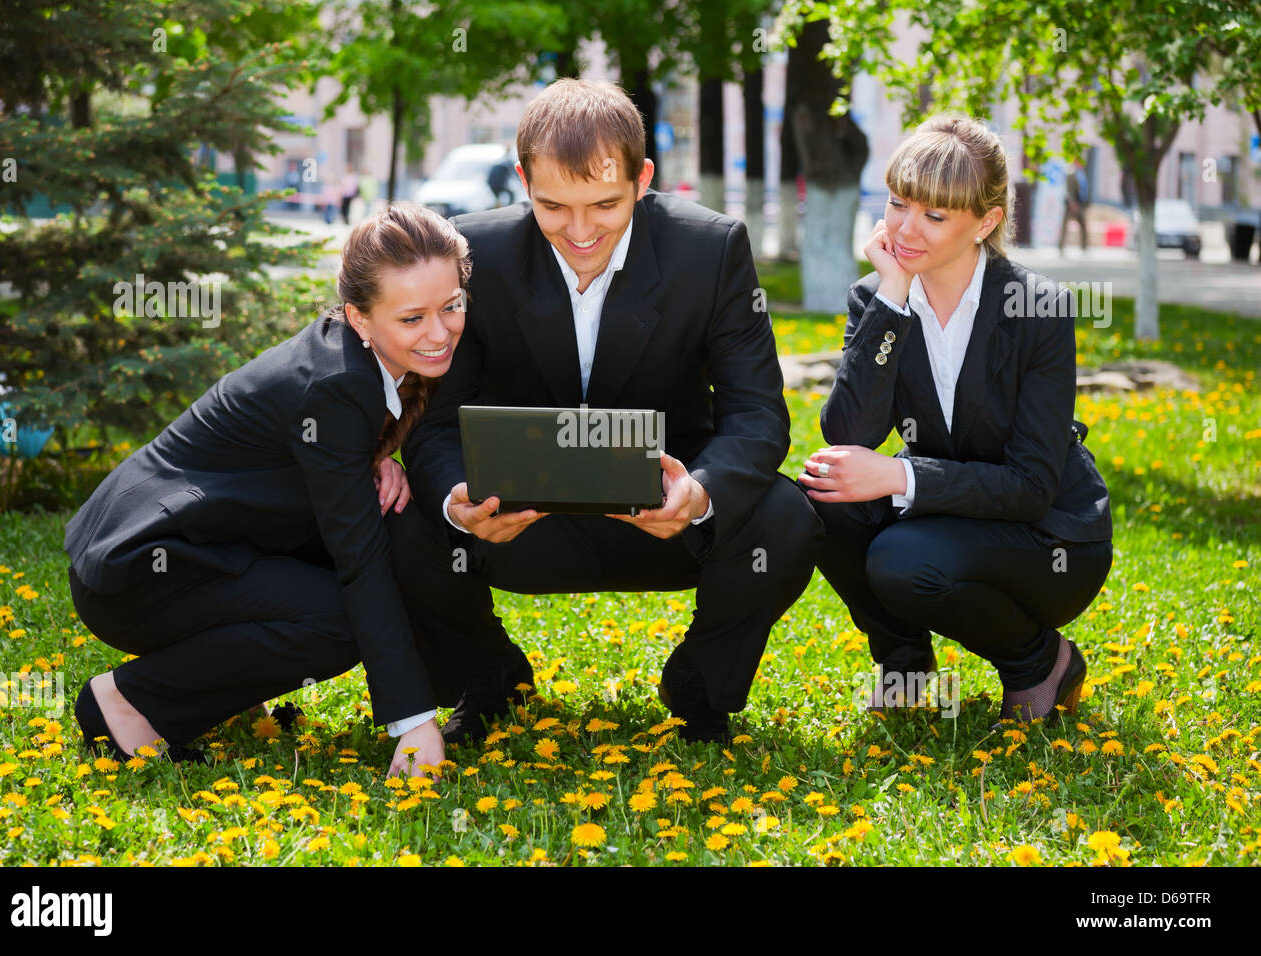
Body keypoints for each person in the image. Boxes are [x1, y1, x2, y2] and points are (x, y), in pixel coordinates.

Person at [387, 79, 823, 745]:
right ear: (523, 176)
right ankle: (489, 674)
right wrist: (456, 500)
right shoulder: (472, 255)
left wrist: (699, 492)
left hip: (667, 516)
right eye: (553, 205)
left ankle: (699, 686)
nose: (581, 231)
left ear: (643, 178)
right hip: (518, 521)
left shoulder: (711, 250)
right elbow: (436, 422)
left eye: (606, 204)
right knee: (399, 518)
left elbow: (758, 415)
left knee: (786, 518)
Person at [63, 203, 470, 777]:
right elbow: (358, 561)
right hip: (140, 569)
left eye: (451, 306)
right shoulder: (338, 384)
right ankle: (129, 701)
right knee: (341, 619)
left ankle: (213, 689)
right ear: (359, 318)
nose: (439, 331)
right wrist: (413, 722)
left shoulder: (362, 362)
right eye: (412, 319)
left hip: (189, 546)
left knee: (377, 546)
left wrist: (375, 459)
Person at [798, 114, 1113, 725]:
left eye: (935, 216)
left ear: (987, 221)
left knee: (901, 560)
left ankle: (1039, 660)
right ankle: (906, 668)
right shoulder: (876, 295)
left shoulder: (1037, 308)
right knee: (822, 495)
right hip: (952, 516)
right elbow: (850, 435)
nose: (905, 229)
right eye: (896, 204)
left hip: (1049, 539)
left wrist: (900, 480)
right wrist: (892, 298)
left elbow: (1029, 487)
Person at [1059, 160, 1090, 252]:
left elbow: (1084, 189)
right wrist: (1072, 202)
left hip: (1081, 204)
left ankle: (1084, 246)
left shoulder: (1082, 174)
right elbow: (1069, 190)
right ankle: (1061, 246)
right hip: (1072, 204)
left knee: (1083, 225)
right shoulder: (1071, 174)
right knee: (1065, 225)